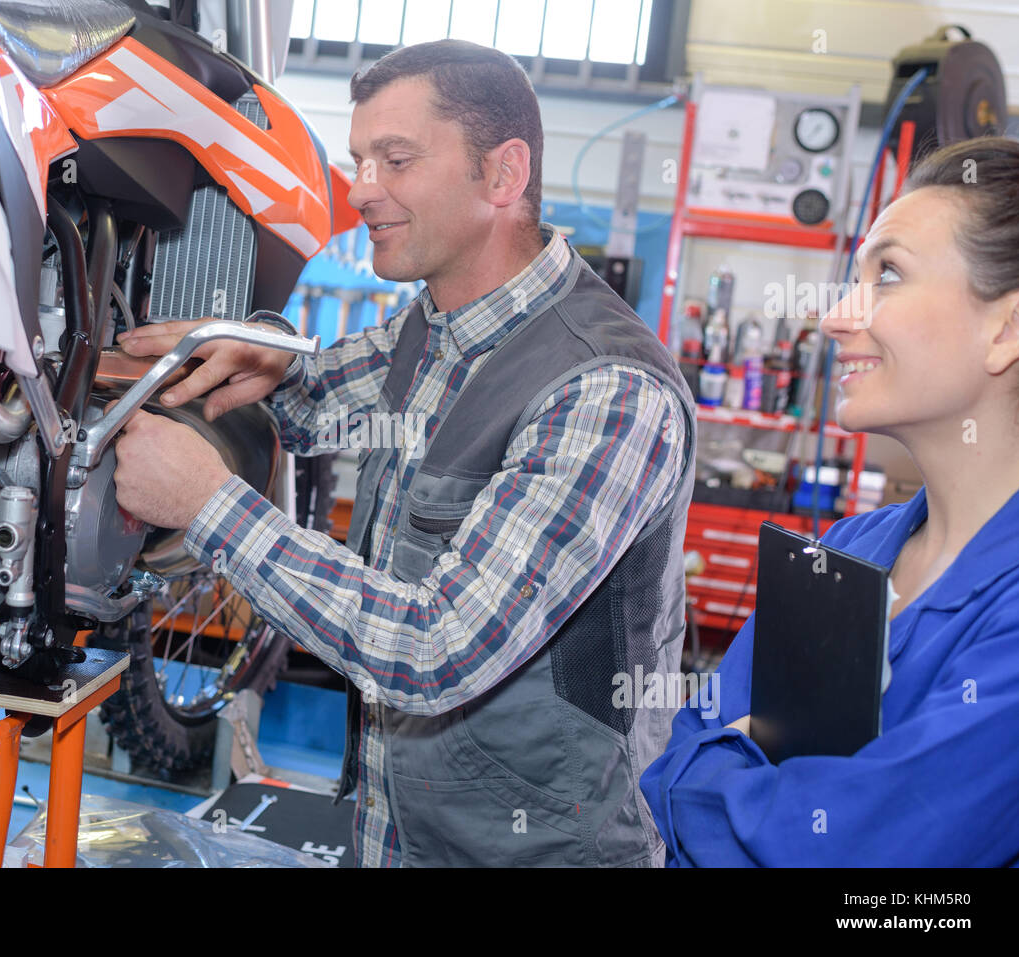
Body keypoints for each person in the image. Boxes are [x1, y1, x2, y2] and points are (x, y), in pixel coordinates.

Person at [112, 40, 697, 867]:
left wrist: (208, 504)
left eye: (396, 160)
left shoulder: (604, 390)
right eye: (357, 160)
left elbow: (437, 648)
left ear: (503, 175)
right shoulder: (436, 325)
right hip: (393, 833)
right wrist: (256, 352)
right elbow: (320, 394)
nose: (359, 191)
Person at [640, 136, 1019, 867]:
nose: (838, 316)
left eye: (888, 274)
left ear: (1005, 328)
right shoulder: (849, 548)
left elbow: (856, 853)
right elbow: (683, 747)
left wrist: (723, 776)